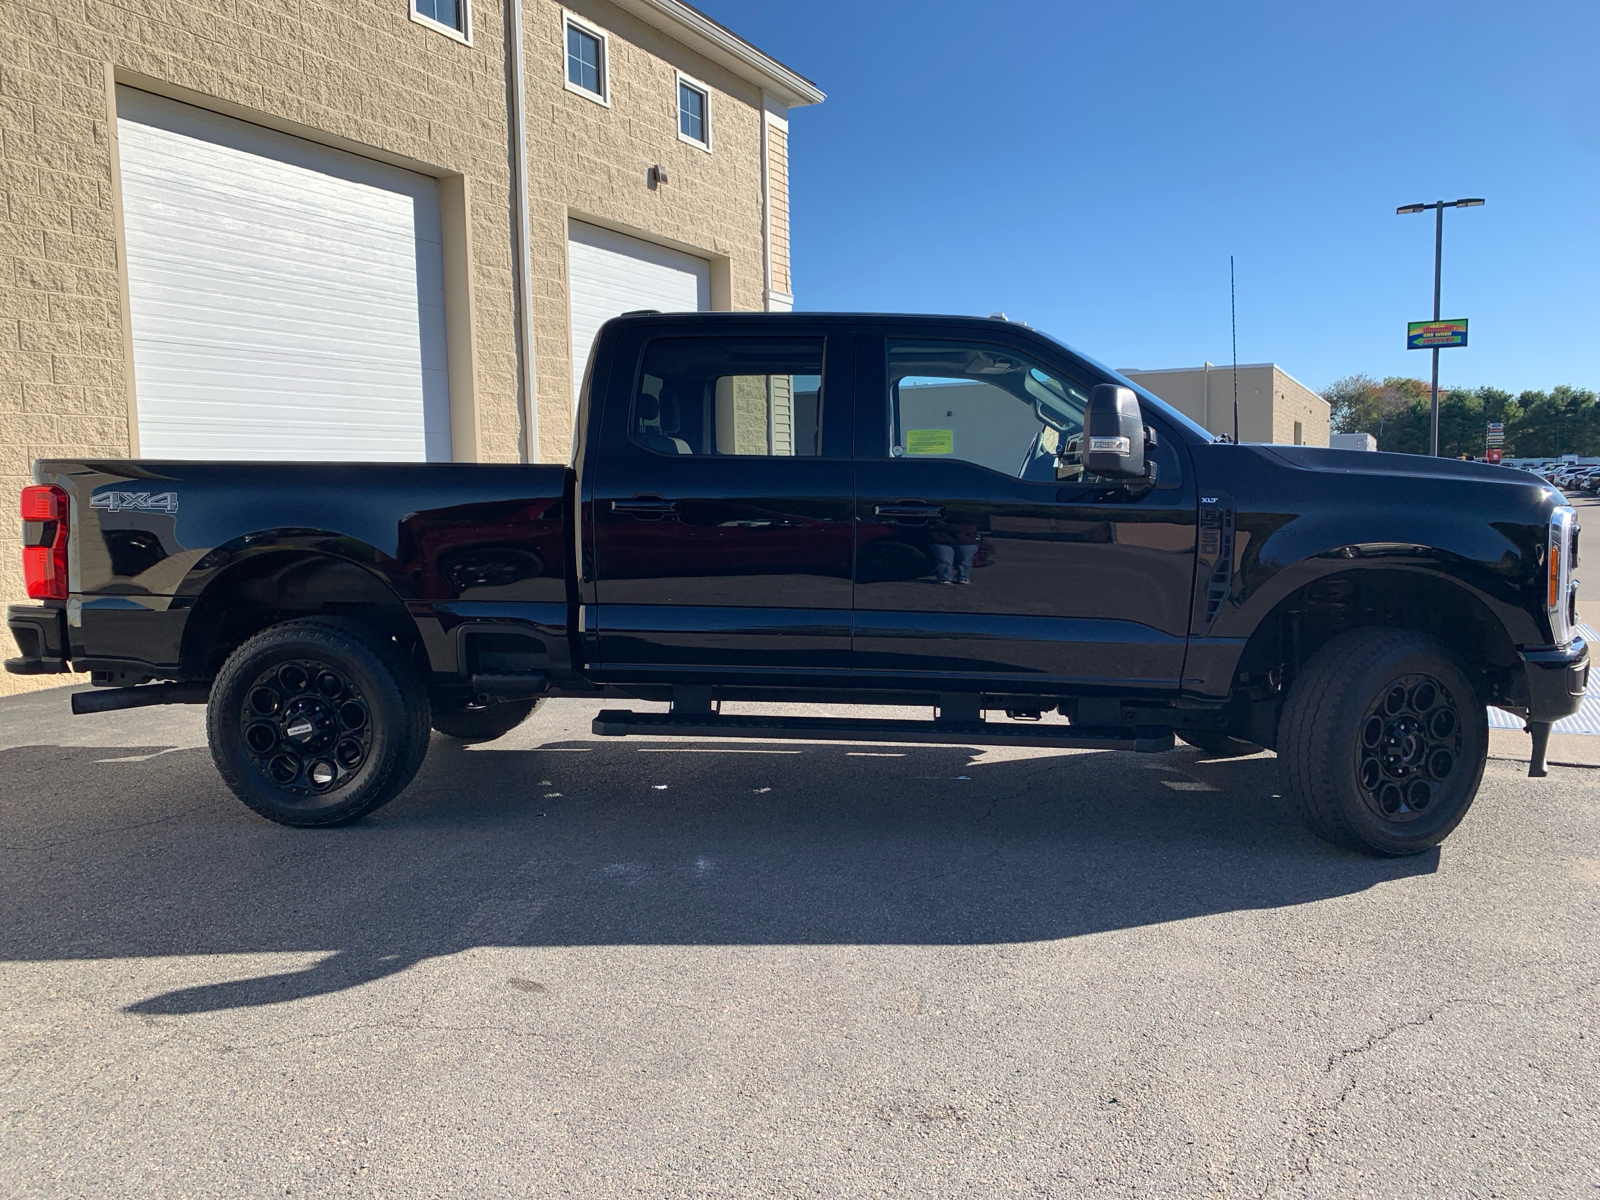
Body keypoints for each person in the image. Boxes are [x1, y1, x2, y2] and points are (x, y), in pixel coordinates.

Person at [928, 515, 980, 584]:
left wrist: (943, 526)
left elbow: (973, 527)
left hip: (966, 542)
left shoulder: (971, 514)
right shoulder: (938, 514)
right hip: (941, 540)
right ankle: (944, 577)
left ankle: (964, 577)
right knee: (945, 560)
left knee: (965, 560)